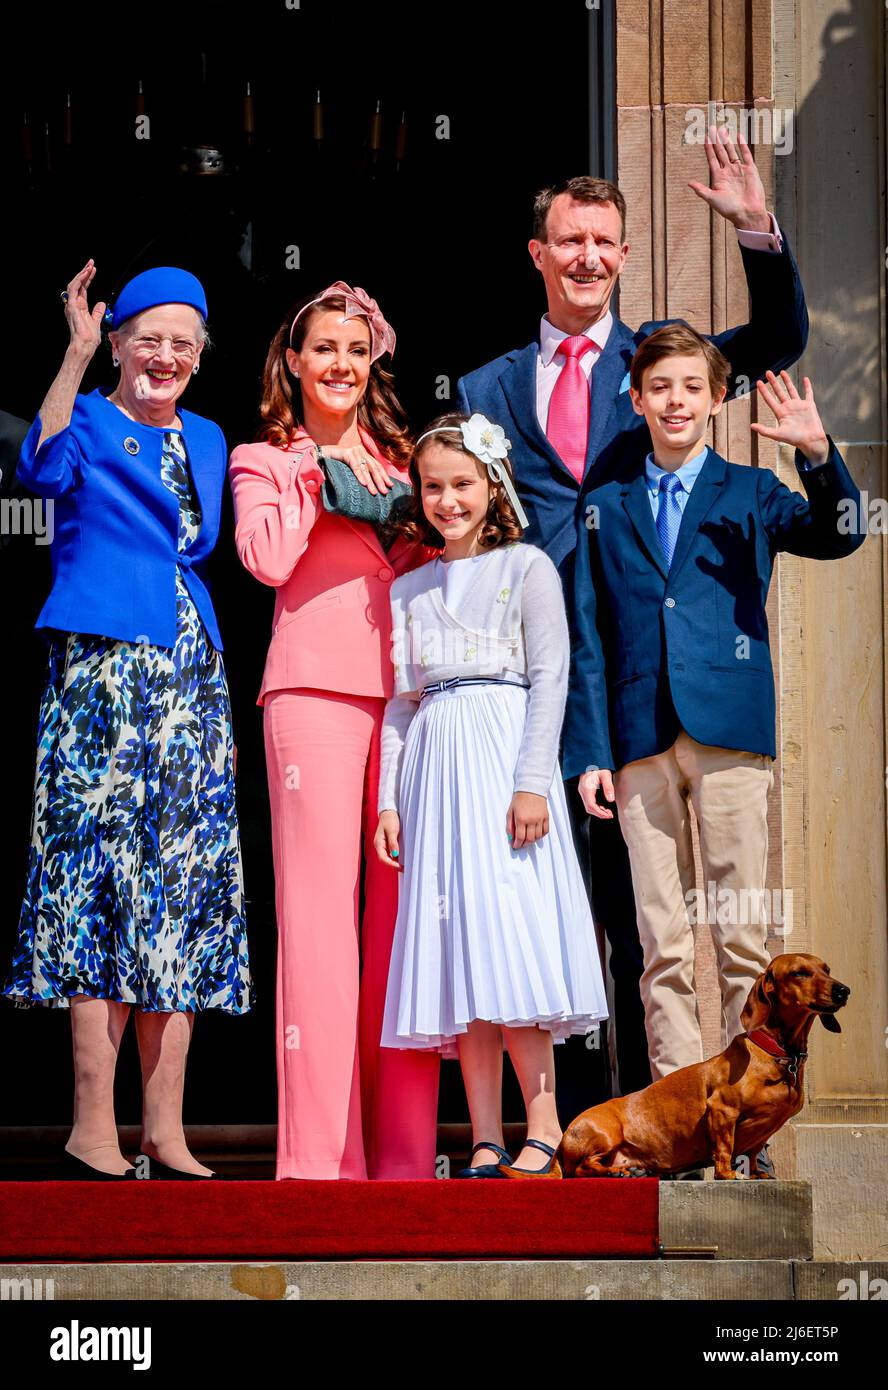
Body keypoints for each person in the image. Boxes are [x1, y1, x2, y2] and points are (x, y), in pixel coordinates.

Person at [456, 131, 810, 1107]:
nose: (587, 258)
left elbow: (775, 344)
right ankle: (567, 1126)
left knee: (647, 911)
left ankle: (672, 1121)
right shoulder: (486, 389)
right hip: (519, 671)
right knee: (543, 900)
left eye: (604, 243)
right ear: (539, 252)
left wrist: (756, 231)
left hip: (640, 673)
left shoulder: (662, 364)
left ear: (622, 253)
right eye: (570, 241)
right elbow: (455, 505)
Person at [562, 325, 865, 1099]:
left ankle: (748, 1113)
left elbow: (843, 535)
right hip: (638, 741)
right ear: (636, 399)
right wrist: (591, 750)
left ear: (716, 400)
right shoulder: (604, 506)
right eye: (660, 387)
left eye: (692, 387)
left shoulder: (752, 492)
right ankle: (678, 1121)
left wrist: (820, 455)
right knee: (659, 941)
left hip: (728, 734)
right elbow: (589, 637)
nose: (675, 401)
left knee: (738, 938)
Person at [2, 261, 251, 1179]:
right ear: (116, 341)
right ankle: (90, 1128)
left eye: (184, 344)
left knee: (179, 890)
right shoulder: (92, 419)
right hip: (102, 677)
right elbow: (36, 465)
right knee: (97, 886)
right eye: (148, 338)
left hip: (190, 681)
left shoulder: (214, 437)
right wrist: (70, 359)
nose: (166, 357)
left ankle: (165, 1130)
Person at [229, 282, 440, 1180]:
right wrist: (320, 480)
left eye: (356, 350)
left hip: (407, 701)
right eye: (324, 349)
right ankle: (321, 1163)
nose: (341, 365)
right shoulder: (262, 459)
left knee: (400, 928)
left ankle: (400, 1159)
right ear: (294, 360)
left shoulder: (404, 465)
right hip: (312, 691)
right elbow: (268, 560)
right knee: (317, 925)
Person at [374, 411, 608, 1179]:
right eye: (434, 487)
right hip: (437, 776)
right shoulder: (410, 588)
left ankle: (543, 1123)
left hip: (505, 760)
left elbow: (551, 678)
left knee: (512, 944)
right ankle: (483, 1134)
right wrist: (388, 799)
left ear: (492, 485)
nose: (448, 500)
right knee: (460, 955)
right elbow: (403, 702)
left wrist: (532, 781)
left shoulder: (527, 568)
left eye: (463, 484)